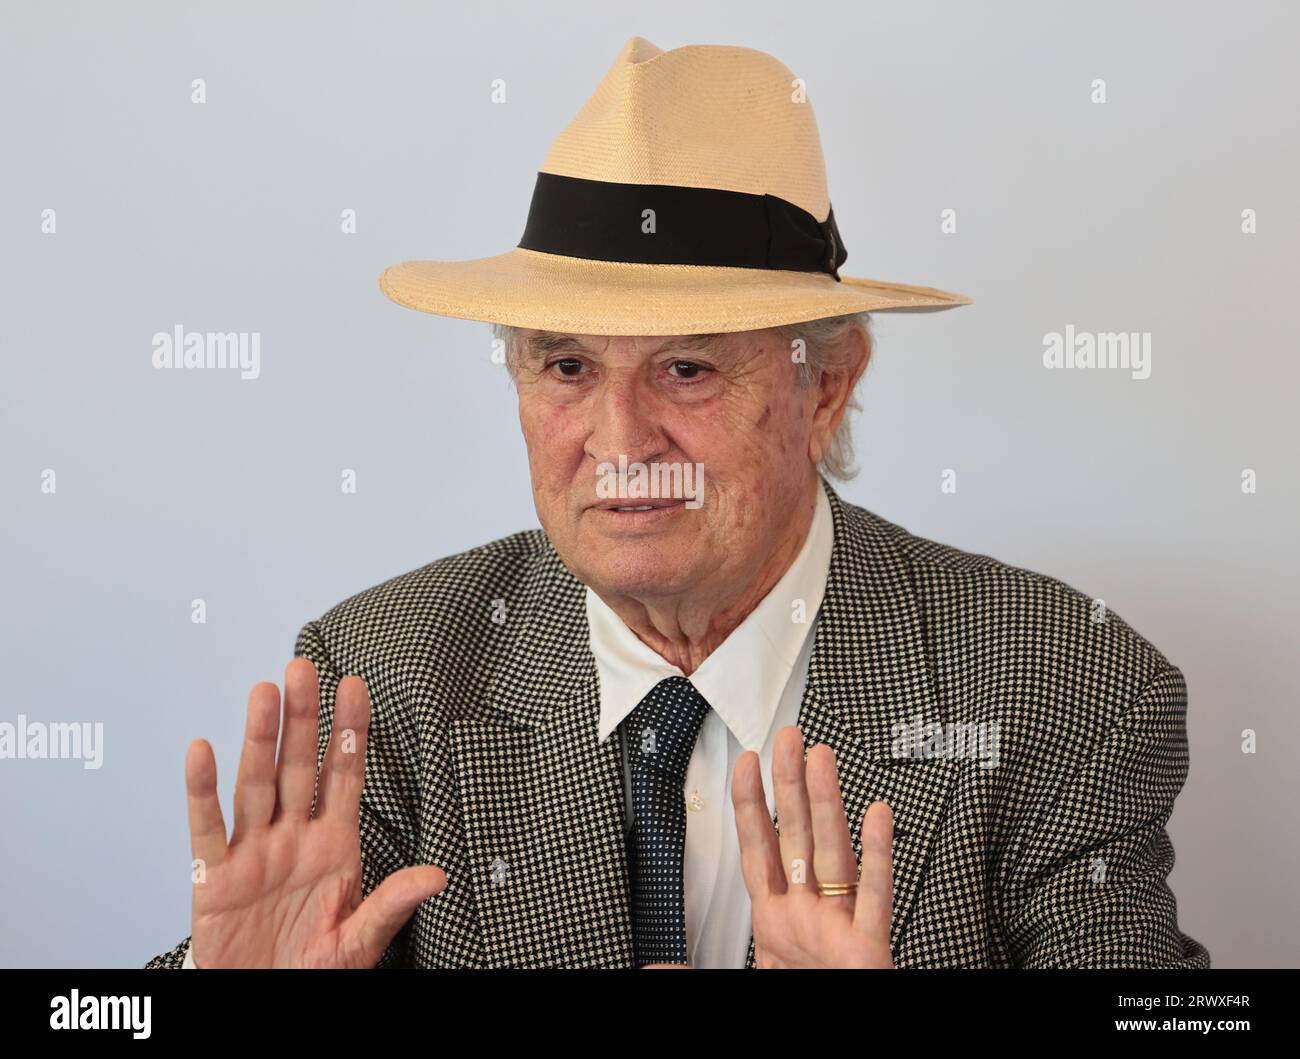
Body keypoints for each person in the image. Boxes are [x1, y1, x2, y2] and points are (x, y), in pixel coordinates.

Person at [146, 37, 1208, 969]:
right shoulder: (385, 678)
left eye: (687, 369)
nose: (618, 439)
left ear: (823, 385)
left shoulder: (1063, 684)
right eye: (565, 366)